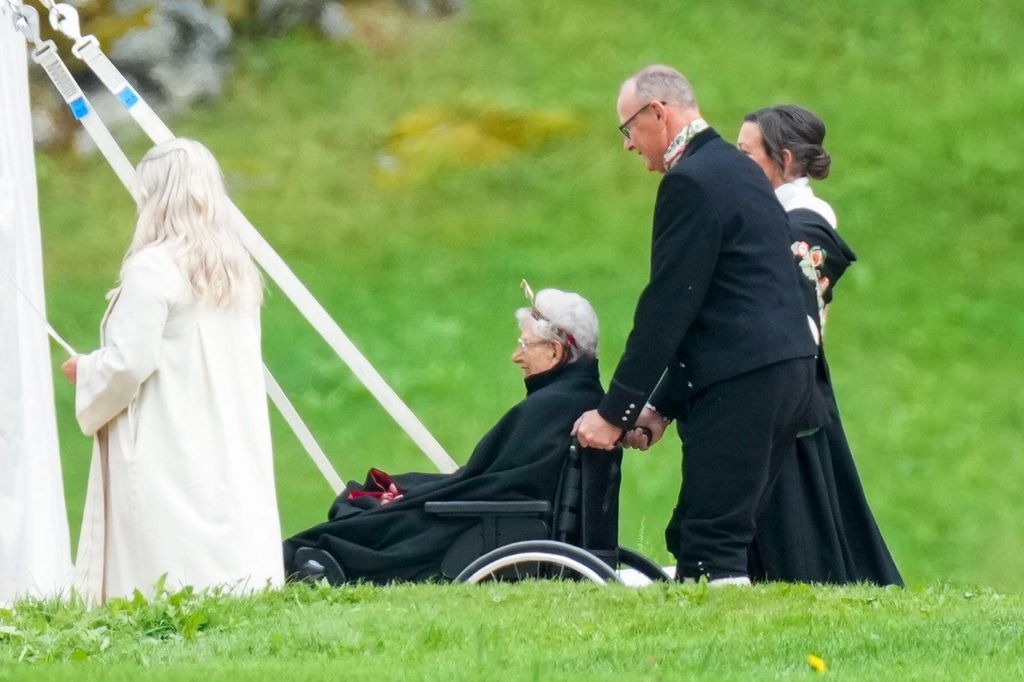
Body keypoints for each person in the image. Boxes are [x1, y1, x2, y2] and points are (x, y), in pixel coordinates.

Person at [573, 65, 827, 586]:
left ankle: (725, 659)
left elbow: (670, 307)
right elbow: (726, 306)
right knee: (709, 530)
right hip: (785, 371)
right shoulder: (737, 171)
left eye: (627, 129)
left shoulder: (690, 181)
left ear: (658, 114)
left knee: (711, 543)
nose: (627, 145)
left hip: (747, 382)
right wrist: (663, 407)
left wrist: (613, 413)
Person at [61, 138, 284, 602]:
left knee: (171, 521)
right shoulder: (236, 268)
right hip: (227, 421)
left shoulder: (152, 267)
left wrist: (85, 370)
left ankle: (169, 605)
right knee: (225, 500)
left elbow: (129, 363)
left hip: (170, 427)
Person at [284, 285, 603, 584]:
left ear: (554, 352)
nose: (515, 356)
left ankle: (320, 558)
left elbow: (494, 486)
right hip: (502, 507)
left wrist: (425, 497)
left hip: (491, 520)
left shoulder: (549, 407)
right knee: (383, 492)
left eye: (524, 345)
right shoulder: (579, 399)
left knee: (375, 516)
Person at [737, 105, 902, 585]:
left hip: (789, 383)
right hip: (783, 380)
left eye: (746, 153)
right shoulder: (781, 216)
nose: (737, 163)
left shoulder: (805, 223)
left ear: (784, 159)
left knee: (796, 510)